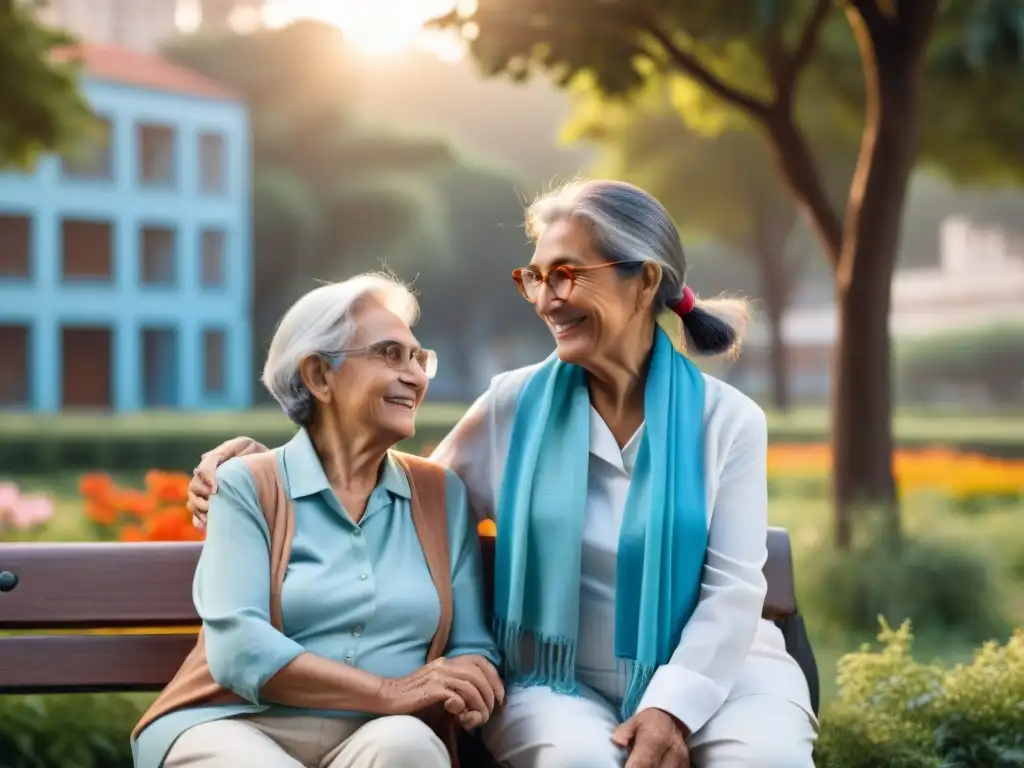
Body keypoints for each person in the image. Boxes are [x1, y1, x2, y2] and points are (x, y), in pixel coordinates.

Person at [188, 180, 817, 767]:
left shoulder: (727, 419)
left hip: (726, 676)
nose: (547, 299)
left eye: (568, 275)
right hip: (558, 681)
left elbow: (734, 591)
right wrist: (260, 469)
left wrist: (671, 707)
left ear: (645, 280)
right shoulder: (512, 406)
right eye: (535, 278)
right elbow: (396, 496)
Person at [134, 274, 502, 768]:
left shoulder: (441, 494)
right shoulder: (246, 484)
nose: (414, 375)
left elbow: (472, 643)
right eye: (390, 354)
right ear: (318, 376)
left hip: (377, 733)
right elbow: (240, 648)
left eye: (419, 358)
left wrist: (469, 677)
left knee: (409, 747)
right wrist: (389, 690)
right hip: (234, 722)